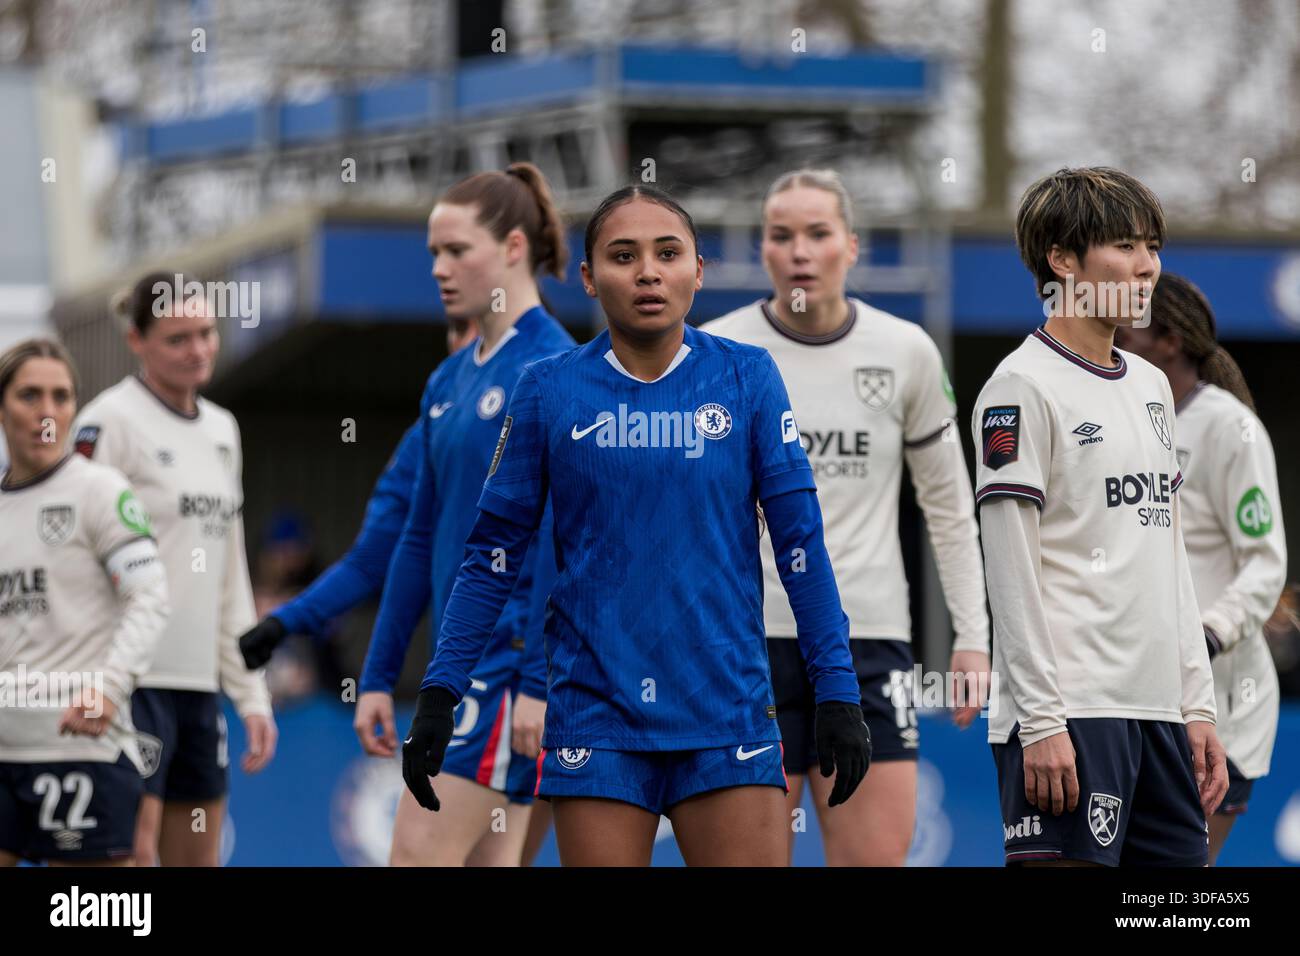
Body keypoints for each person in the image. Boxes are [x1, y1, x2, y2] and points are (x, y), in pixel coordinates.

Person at [401, 184, 873, 867]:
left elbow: (800, 548)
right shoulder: (547, 389)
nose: (648, 271)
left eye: (668, 253)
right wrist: (441, 692)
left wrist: (837, 693)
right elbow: (491, 557)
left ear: (698, 271)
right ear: (590, 278)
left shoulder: (748, 377)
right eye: (623, 256)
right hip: (596, 719)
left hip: (726, 716)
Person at [702, 168, 990, 865]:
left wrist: (973, 635)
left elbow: (950, 507)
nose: (799, 250)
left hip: (870, 644)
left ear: (851, 247)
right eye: (780, 235)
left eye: (817, 233)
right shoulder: (713, 352)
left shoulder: (906, 351)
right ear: (762, 250)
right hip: (745, 644)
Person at [973, 167, 1228, 866]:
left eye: (1153, 245)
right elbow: (1010, 567)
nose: (1148, 265)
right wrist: (1042, 721)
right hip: (1071, 715)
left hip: (1159, 719)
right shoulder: (1020, 387)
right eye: (1124, 245)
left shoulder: (1150, 385)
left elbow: (1166, 556)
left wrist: (1196, 707)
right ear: (1062, 259)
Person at [363, 163, 576, 866]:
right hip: (455, 674)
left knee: (416, 855)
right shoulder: (448, 379)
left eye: (457, 250)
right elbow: (417, 535)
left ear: (514, 248)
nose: (439, 268)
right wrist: (377, 673)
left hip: (507, 673)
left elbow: (561, 539)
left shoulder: (554, 368)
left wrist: (539, 684)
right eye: (433, 252)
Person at [73, 273, 275, 866]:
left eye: (207, 333)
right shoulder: (107, 422)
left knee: (197, 859)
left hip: (197, 688)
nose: (198, 349)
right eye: (177, 338)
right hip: (129, 683)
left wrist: (251, 694)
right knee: (130, 858)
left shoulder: (222, 430)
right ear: (136, 340)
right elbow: (74, 559)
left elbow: (227, 573)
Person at [1115, 274, 1286, 864]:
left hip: (1222, 705)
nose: (1114, 333)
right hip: (1135, 694)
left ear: (1170, 341)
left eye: (1130, 324)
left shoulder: (1229, 428)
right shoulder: (1120, 414)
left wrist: (1207, 634)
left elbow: (1266, 562)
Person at [0, 339, 170, 866]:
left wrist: (111, 687)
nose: (47, 412)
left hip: (80, 750)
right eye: (30, 395)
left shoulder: (99, 491)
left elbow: (150, 596)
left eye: (62, 396)